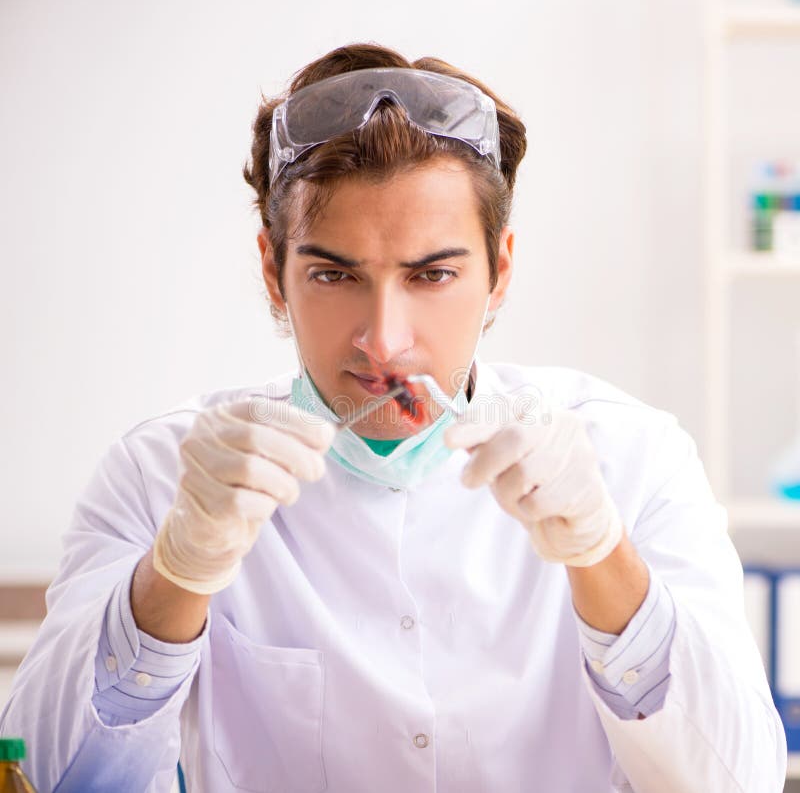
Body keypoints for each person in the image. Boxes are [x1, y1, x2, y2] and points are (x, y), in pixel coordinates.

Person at [0, 42, 787, 792]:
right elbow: (46, 775)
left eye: (433, 274)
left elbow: (738, 778)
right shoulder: (163, 473)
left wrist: (603, 555)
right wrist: (173, 576)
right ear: (275, 272)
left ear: (500, 269)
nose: (384, 339)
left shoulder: (632, 456)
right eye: (334, 274)